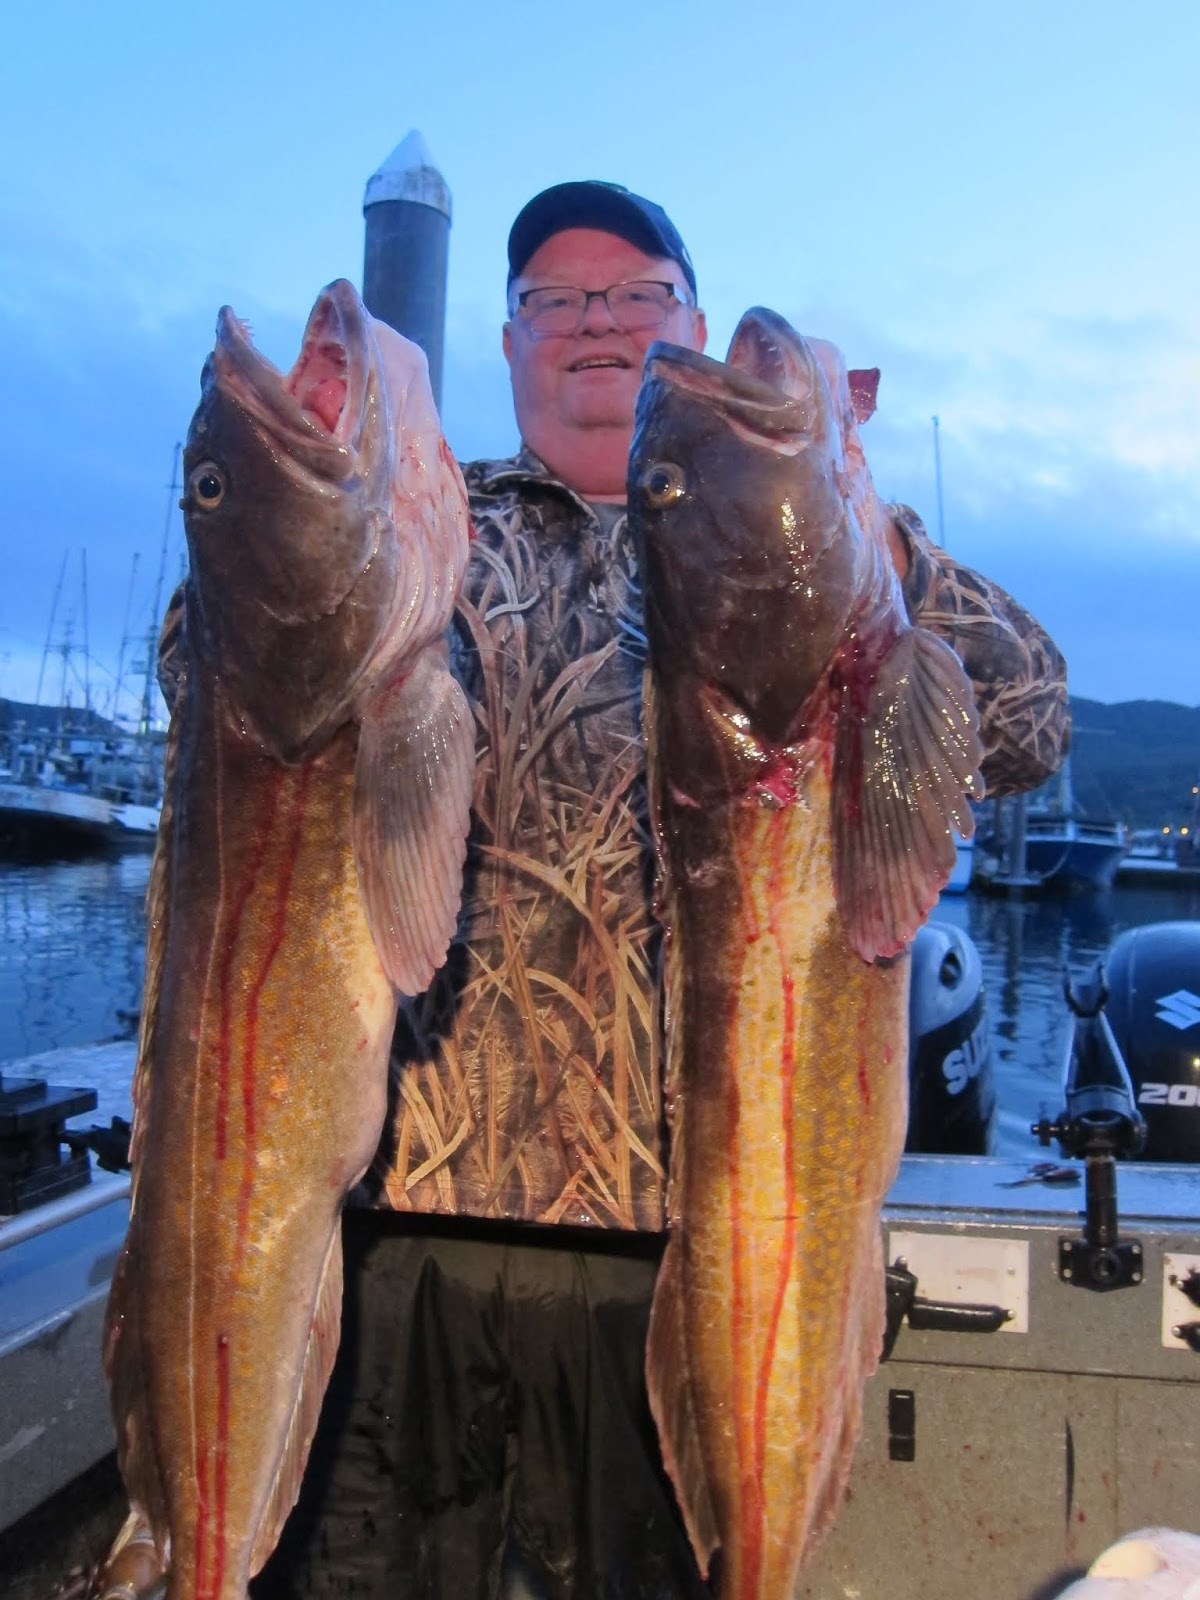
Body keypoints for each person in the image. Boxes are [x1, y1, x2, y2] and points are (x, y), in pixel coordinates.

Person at [258, 182, 1070, 1600]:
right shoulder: (427, 538)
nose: (594, 323)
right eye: (553, 301)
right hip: (407, 1250)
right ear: (507, 348)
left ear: (689, 327)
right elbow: (227, 684)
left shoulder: (844, 563)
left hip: (700, 1255)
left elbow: (1025, 727)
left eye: (635, 294)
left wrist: (876, 556)